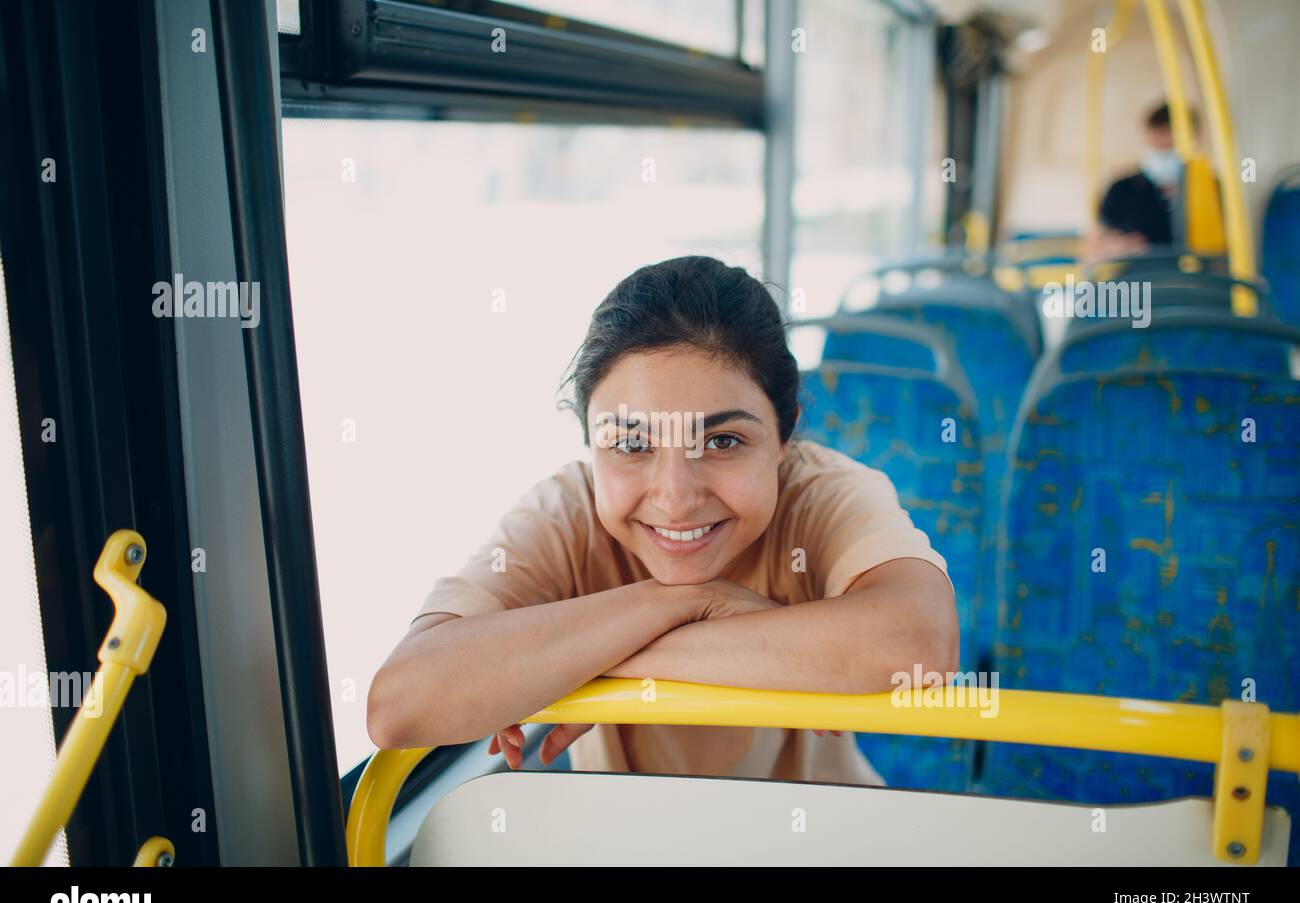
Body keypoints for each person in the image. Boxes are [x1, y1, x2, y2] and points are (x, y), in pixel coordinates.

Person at [367, 255, 958, 786]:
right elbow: (400, 702)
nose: (675, 499)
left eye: (723, 440)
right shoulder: (567, 513)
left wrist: (585, 664)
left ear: (783, 437)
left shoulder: (820, 492)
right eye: (631, 444)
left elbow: (918, 645)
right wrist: (683, 602)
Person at [1082, 103, 1191, 266]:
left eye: (1172, 146)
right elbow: (1093, 249)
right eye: (1160, 143)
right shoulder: (1121, 189)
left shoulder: (1208, 189)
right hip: (1137, 280)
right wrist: (1120, 247)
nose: (1166, 151)